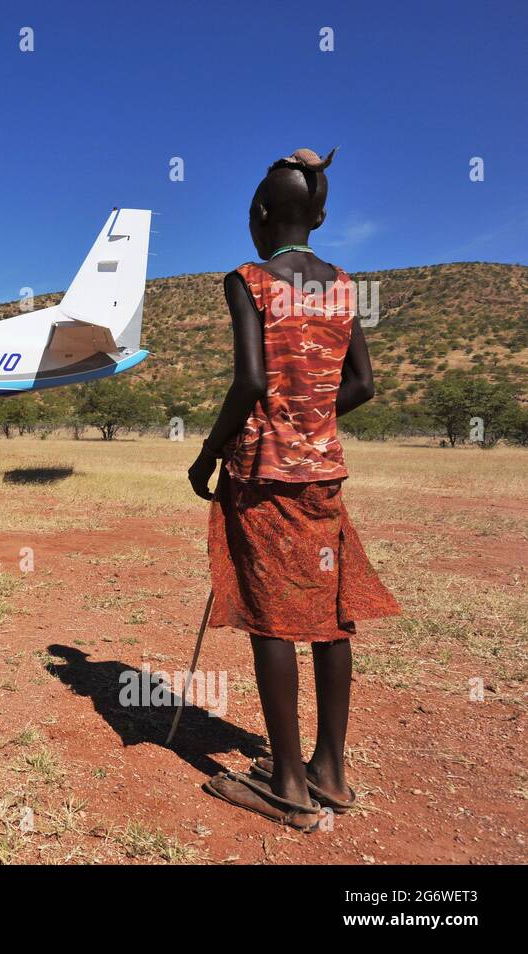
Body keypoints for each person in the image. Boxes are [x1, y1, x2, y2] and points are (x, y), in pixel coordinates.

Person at [186, 147, 400, 831]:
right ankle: (330, 771)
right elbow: (363, 384)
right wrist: (313, 418)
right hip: (324, 478)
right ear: (321, 214)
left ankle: (287, 785)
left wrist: (206, 455)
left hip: (266, 480)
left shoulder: (247, 279)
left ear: (259, 215)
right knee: (331, 617)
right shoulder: (341, 283)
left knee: (271, 617)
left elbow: (249, 381)